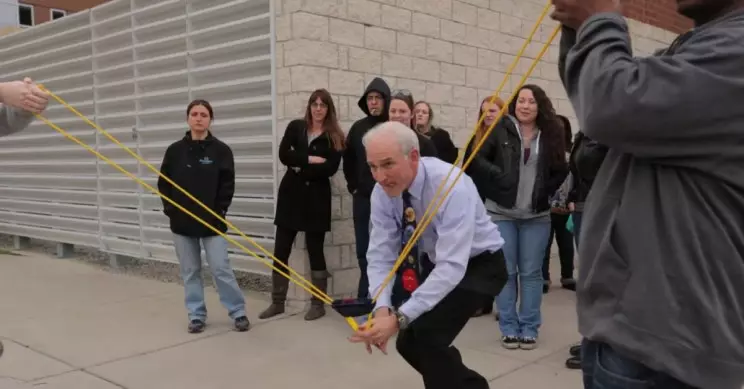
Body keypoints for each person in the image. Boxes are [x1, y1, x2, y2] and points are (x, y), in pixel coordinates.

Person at [552, 0, 744, 388]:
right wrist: (579, 23)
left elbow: (614, 103)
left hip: (664, 348)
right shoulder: (707, 44)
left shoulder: (735, 51)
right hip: (637, 334)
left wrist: (598, 18)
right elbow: (600, 97)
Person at [348, 121, 508, 389]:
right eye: (372, 166)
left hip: (481, 265)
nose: (379, 176)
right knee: (411, 343)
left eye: (387, 164)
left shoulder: (451, 186)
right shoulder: (382, 192)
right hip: (436, 262)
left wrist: (398, 319)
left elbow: (451, 267)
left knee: (425, 338)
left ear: (413, 157)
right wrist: (382, 309)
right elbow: (380, 254)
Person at [469, 84, 568, 350]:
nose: (525, 106)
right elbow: (476, 159)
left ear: (540, 106)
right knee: (506, 272)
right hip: (502, 214)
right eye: (521, 100)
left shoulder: (551, 132)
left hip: (537, 215)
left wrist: (546, 191)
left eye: (531, 102)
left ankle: (529, 326)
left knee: (532, 273)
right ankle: (509, 326)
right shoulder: (500, 127)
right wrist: (498, 180)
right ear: (514, 104)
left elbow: (561, 167)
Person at [157, 99, 249, 334]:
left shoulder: (221, 151)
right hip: (182, 223)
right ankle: (196, 315)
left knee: (220, 268)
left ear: (210, 119)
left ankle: (237, 311)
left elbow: (227, 186)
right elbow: (163, 184)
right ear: (188, 118)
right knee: (190, 271)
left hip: (212, 222)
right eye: (195, 114)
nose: (199, 118)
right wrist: (171, 210)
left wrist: (220, 212)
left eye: (204, 114)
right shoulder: (175, 151)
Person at [258, 89, 344, 321]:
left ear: (328, 109)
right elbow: (284, 154)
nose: (318, 108)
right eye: (314, 104)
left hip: (316, 199)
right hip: (291, 196)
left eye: (323, 105)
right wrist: (308, 159)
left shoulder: (335, 137)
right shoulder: (296, 127)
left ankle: (318, 303)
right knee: (281, 250)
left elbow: (329, 169)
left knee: (316, 250)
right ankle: (277, 302)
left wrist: (299, 165)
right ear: (309, 107)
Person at [343, 77, 390, 301]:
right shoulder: (358, 128)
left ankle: (387, 298)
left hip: (391, 198)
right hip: (363, 198)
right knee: (364, 250)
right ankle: (365, 297)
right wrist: (353, 186)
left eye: (377, 98)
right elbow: (349, 159)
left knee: (388, 250)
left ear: (385, 101)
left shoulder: (393, 126)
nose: (373, 103)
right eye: (370, 98)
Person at [542, 114, 576, 293]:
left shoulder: (573, 150)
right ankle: (544, 279)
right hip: (546, 206)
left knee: (566, 243)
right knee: (544, 245)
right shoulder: (544, 149)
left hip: (566, 205)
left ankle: (567, 277)